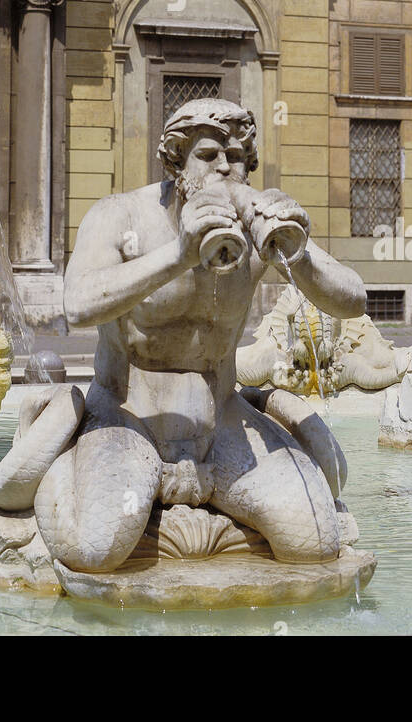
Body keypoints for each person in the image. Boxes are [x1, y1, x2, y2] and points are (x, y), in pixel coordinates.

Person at [28, 98, 367, 572]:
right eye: (208, 156)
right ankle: (62, 461)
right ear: (176, 163)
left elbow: (353, 299)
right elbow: (78, 305)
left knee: (313, 541)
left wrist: (299, 253)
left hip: (220, 420)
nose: (224, 168)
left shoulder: (256, 225)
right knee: (97, 550)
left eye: (236, 158)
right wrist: (180, 255)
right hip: (130, 417)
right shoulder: (121, 216)